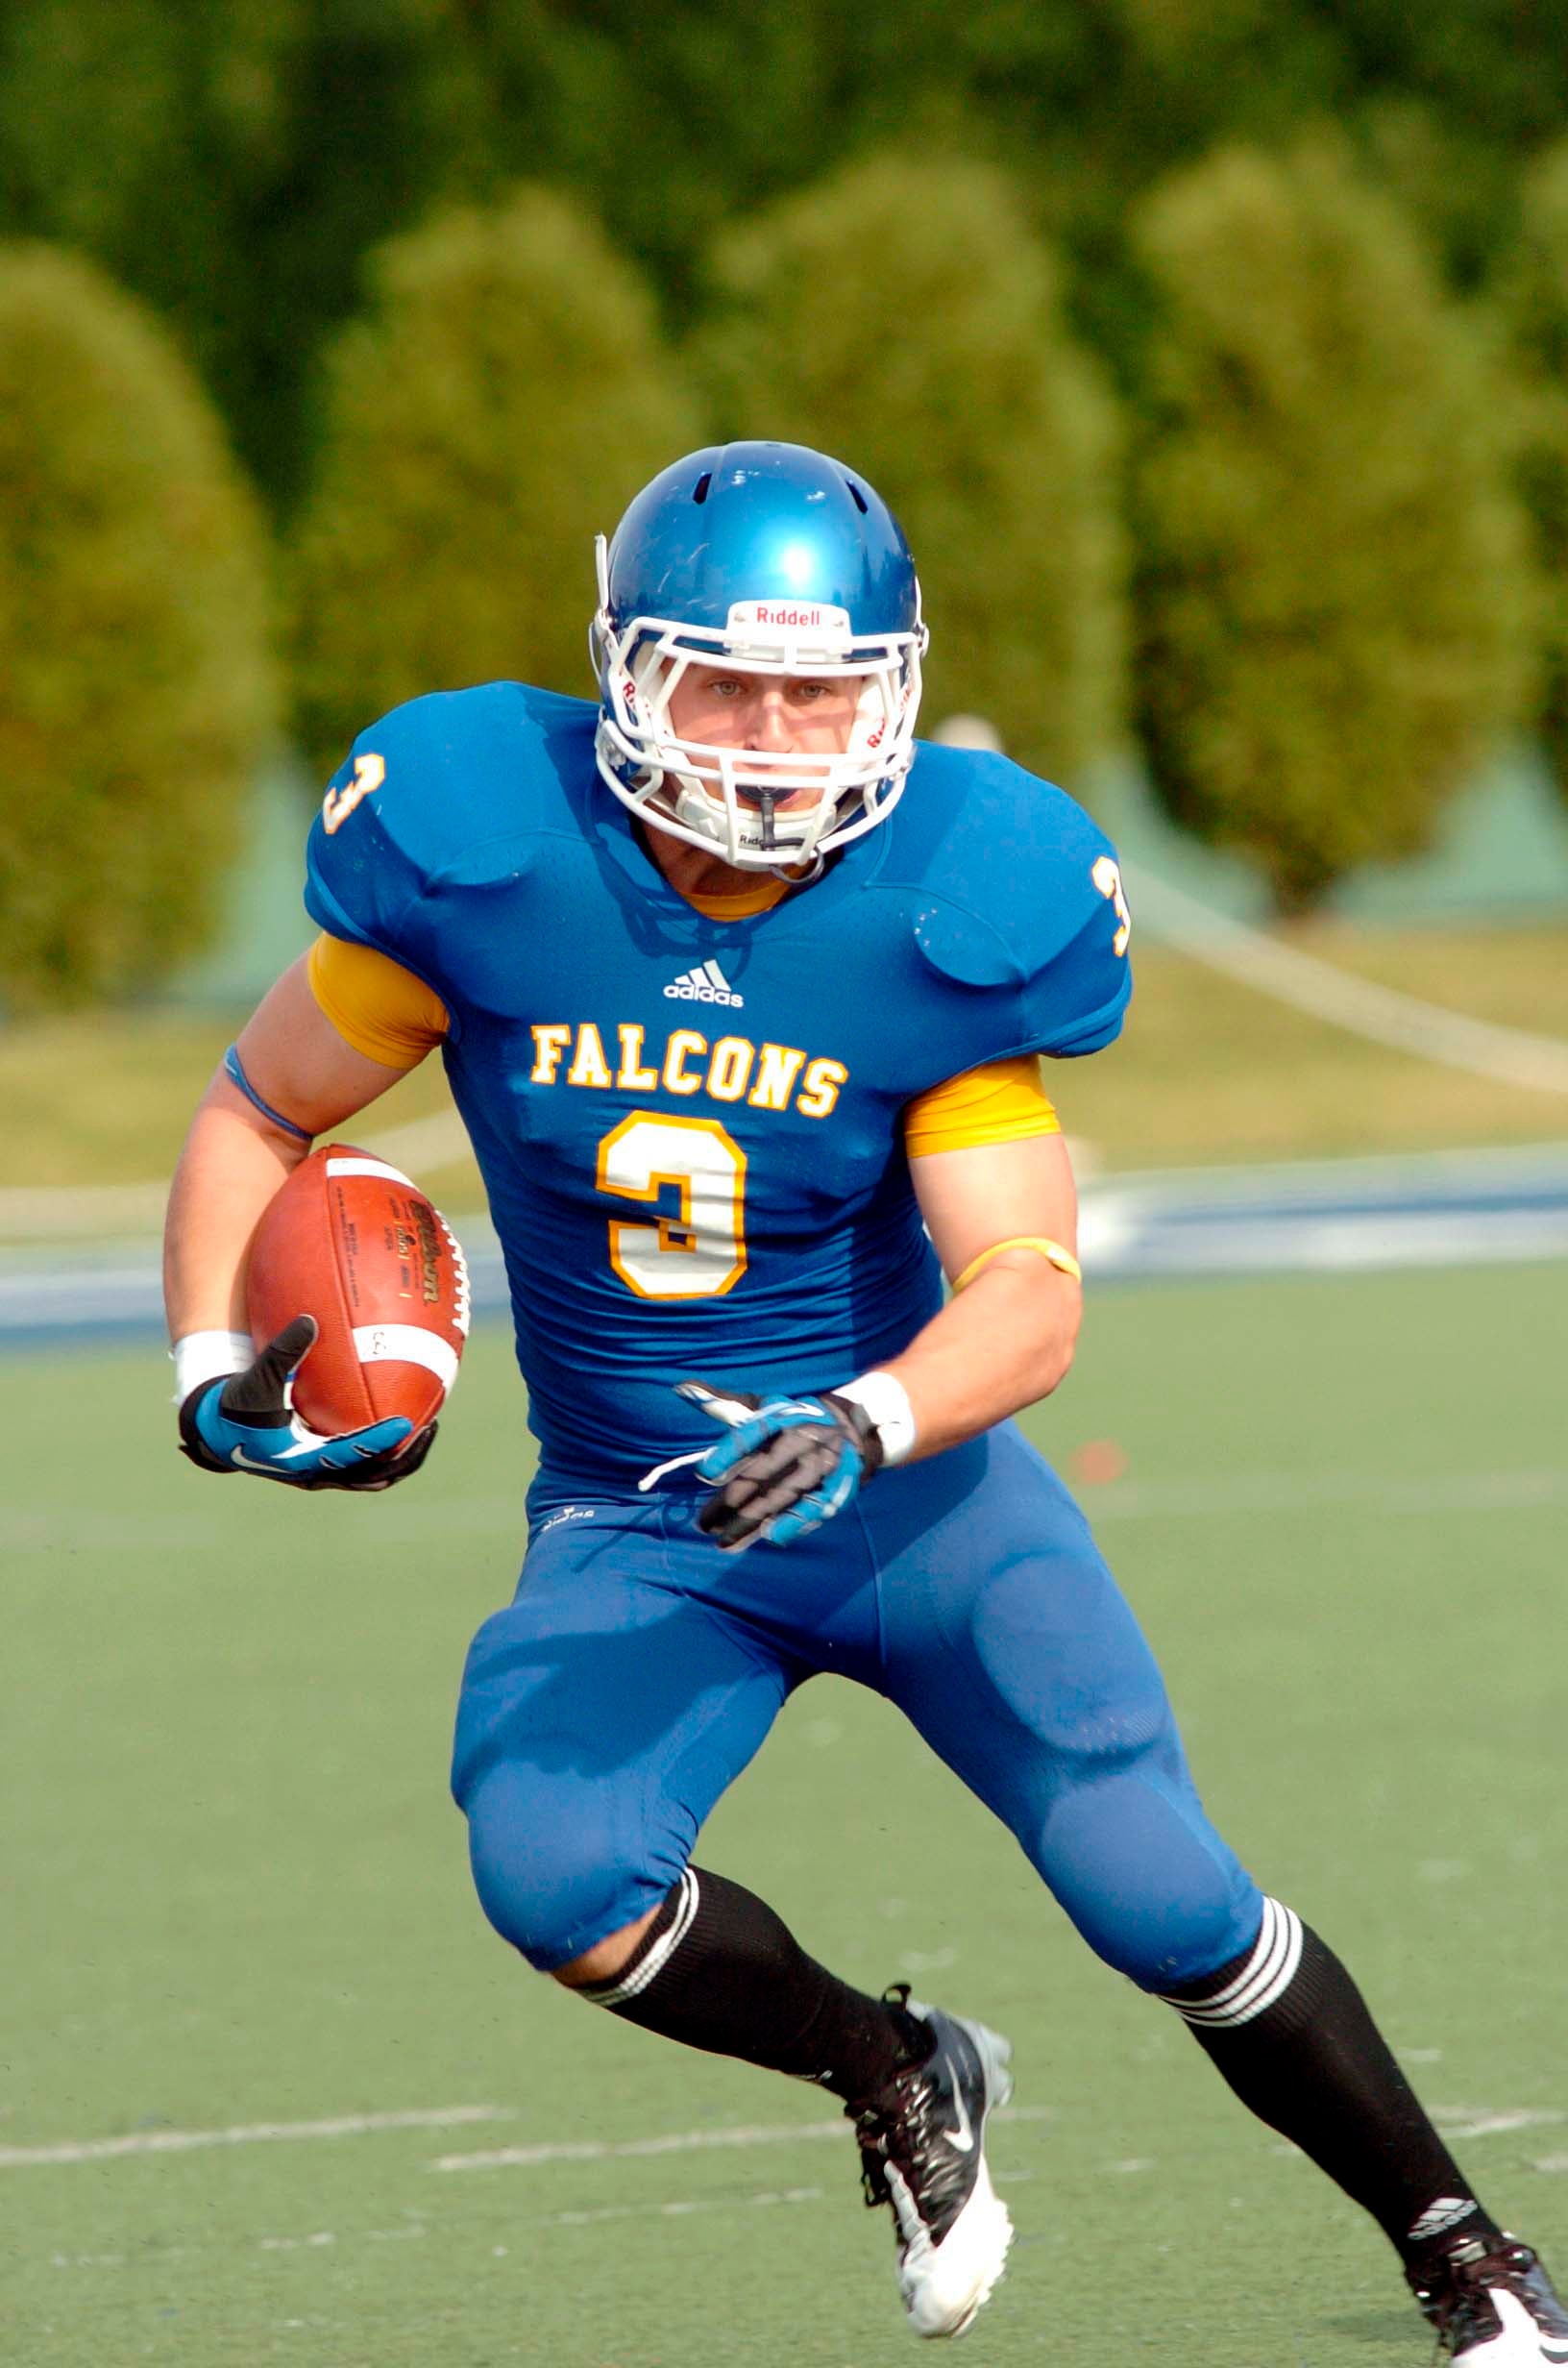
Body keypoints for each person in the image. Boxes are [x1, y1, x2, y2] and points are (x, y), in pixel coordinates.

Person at [165, 440, 1564, 2356]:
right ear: (624, 671)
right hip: (644, 1508)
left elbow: (1028, 1287)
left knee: (1164, 1895)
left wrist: (873, 1415)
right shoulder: (490, 852)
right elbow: (256, 1110)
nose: (771, 734)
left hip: (912, 1492)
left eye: (818, 687)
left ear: (889, 685)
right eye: (723, 680)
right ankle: (896, 2065)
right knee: (554, 1869)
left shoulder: (949, 897)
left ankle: (1463, 2246)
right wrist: (203, 1367)